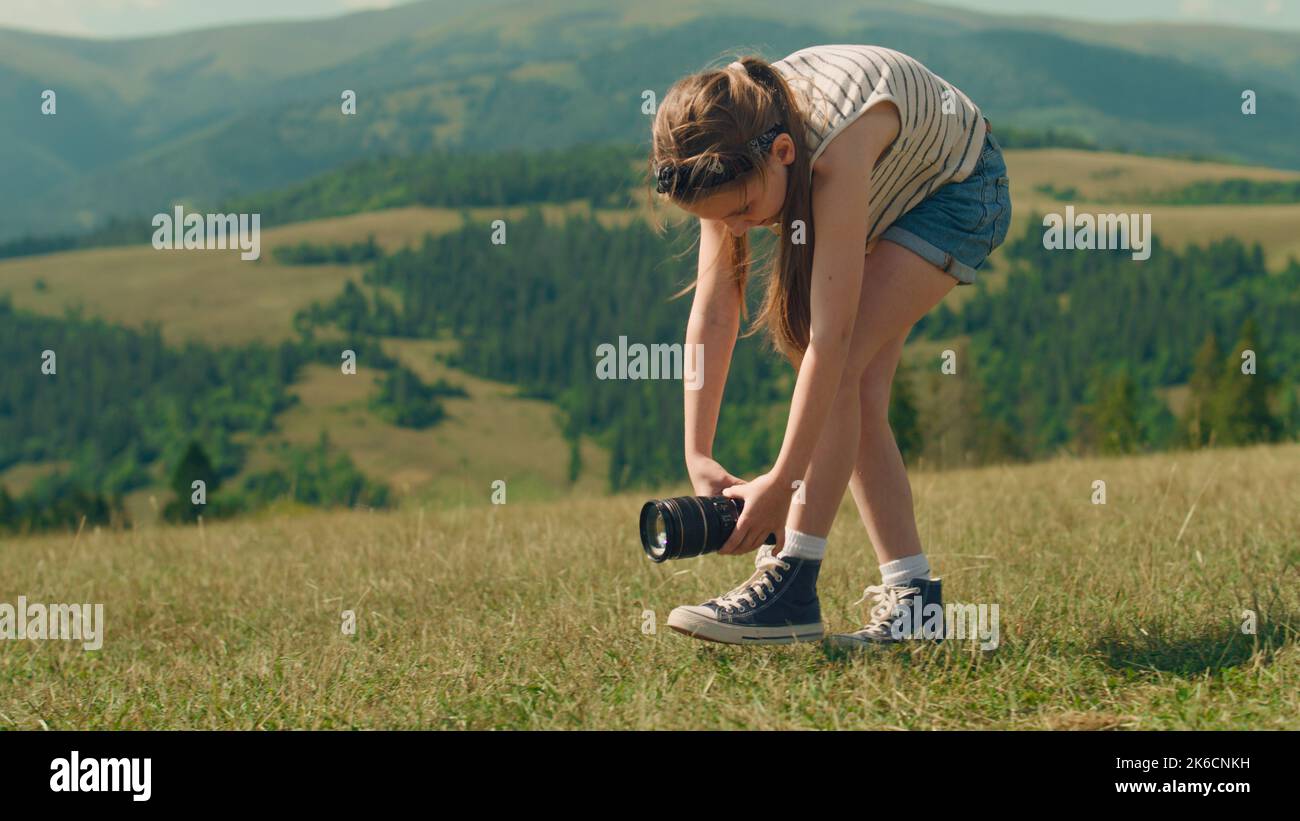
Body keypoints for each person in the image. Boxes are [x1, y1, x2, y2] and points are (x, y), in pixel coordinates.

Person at [648, 44, 1011, 646]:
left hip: (956, 191)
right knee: (860, 389)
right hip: (889, 184)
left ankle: (791, 582)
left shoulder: (834, 146)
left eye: (741, 212)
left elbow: (830, 340)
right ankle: (916, 607)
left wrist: (783, 482)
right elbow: (714, 310)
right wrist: (698, 455)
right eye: (719, 219)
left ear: (784, 154)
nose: (738, 230)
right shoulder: (724, 147)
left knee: (844, 370)